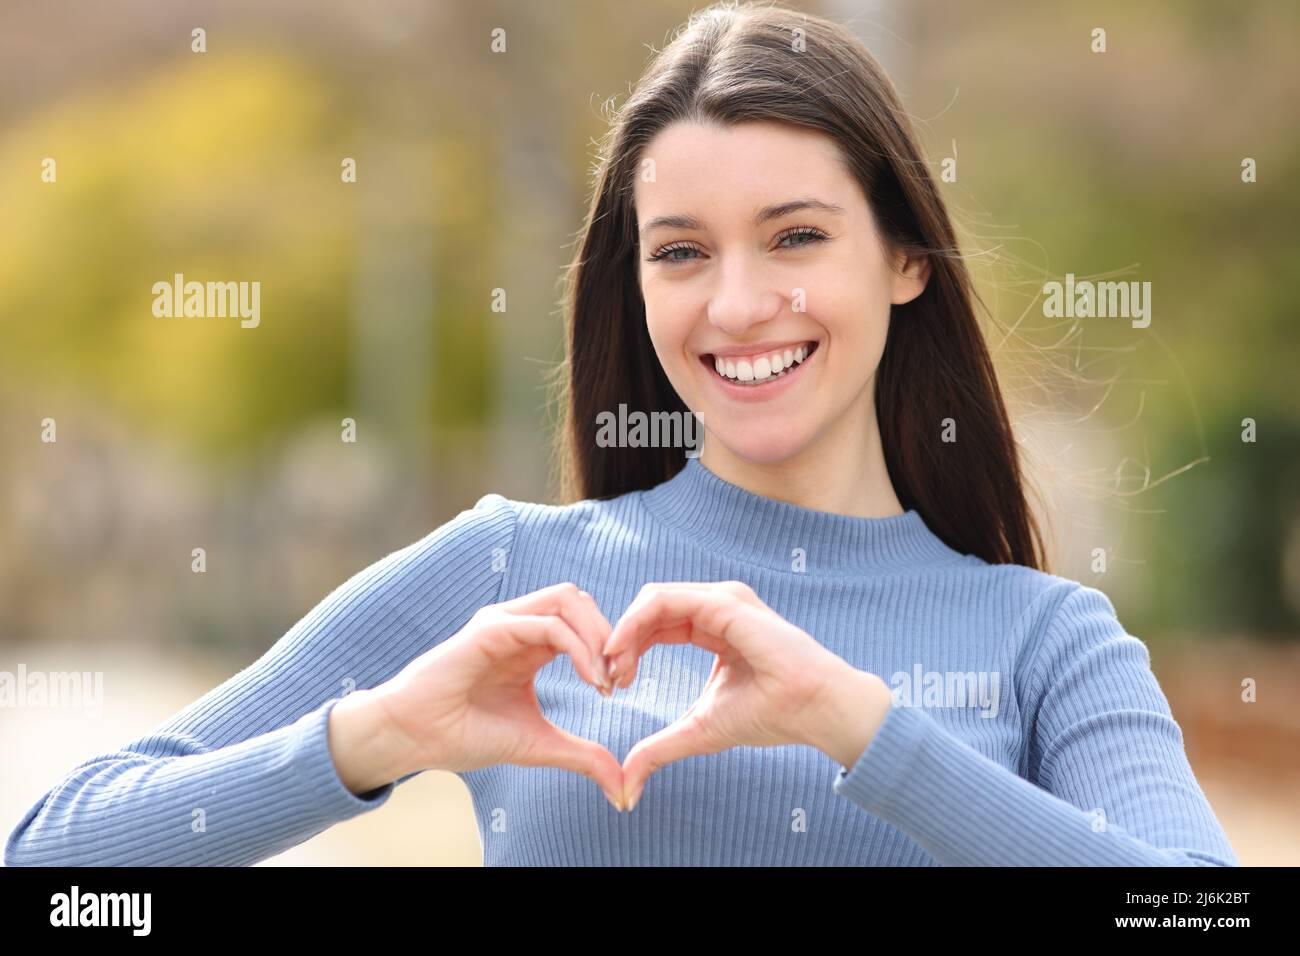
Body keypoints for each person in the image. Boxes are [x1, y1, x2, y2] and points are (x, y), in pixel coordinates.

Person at [5, 0, 1238, 866]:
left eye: (797, 235)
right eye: (682, 252)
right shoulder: (507, 575)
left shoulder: (1044, 640)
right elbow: (55, 859)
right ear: (635, 288)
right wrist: (370, 738)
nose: (738, 301)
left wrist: (861, 728)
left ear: (906, 257)